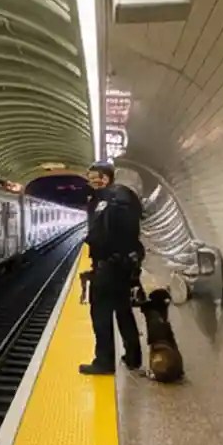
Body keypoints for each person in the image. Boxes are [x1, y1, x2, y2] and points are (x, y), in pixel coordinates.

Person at [79, 160, 145, 375]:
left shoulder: (110, 200)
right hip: (122, 264)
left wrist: (97, 249)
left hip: (109, 265)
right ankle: (133, 357)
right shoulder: (123, 197)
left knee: (100, 313)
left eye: (95, 178)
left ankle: (104, 362)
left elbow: (105, 234)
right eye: (90, 179)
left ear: (106, 178)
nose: (92, 183)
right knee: (123, 310)